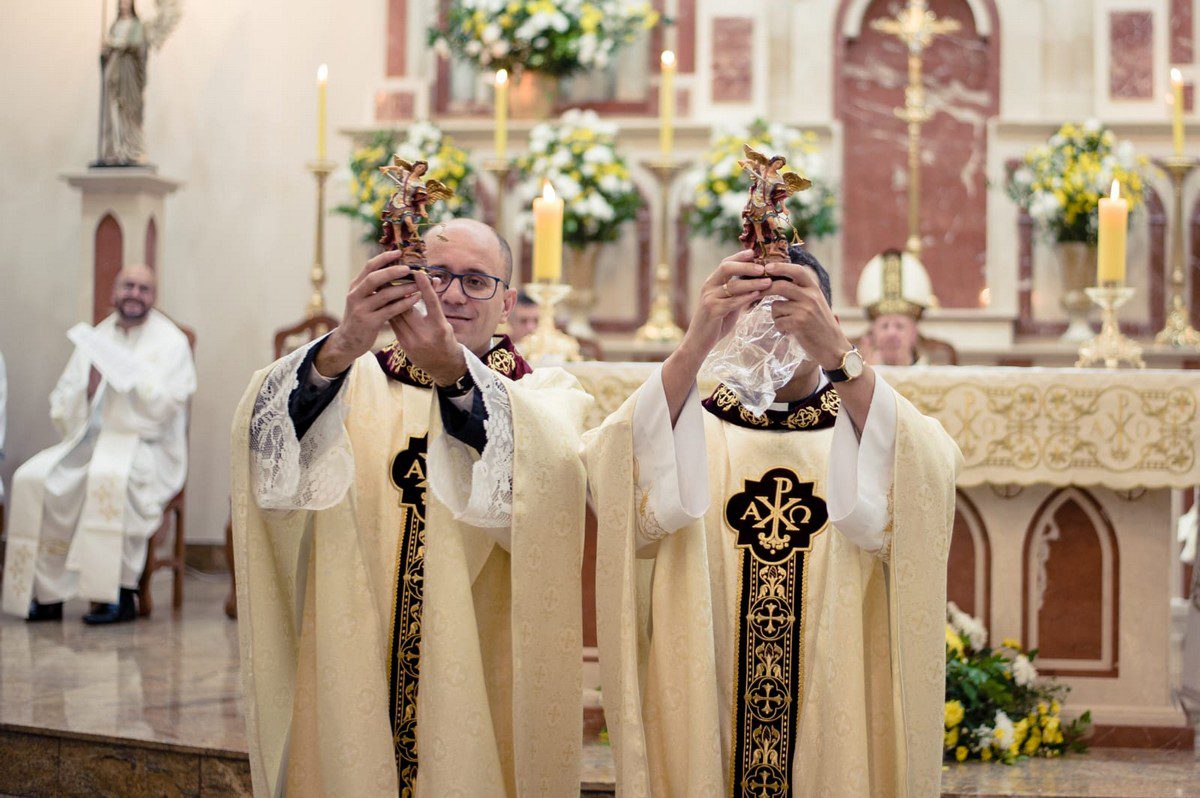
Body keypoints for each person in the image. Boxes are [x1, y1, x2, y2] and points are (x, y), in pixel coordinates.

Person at [231, 218, 591, 796]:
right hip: (354, 657)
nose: (452, 294)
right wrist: (342, 344)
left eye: (477, 281)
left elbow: (552, 483)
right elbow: (264, 449)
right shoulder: (348, 380)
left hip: (473, 665)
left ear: (507, 305)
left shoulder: (545, 396)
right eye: (436, 275)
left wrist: (454, 378)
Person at [585, 245, 961, 796]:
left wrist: (839, 357)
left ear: (829, 319)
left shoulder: (863, 431)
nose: (775, 326)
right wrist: (695, 345)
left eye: (792, 308)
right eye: (755, 311)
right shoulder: (688, 430)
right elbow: (610, 472)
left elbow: (931, 475)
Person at [2, 264, 196, 625]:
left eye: (144, 288)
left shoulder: (171, 342)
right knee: (36, 479)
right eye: (128, 286)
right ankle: (48, 595)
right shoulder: (96, 338)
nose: (135, 294)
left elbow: (170, 408)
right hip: (91, 441)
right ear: (114, 292)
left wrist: (132, 381)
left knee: (112, 479)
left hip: (146, 446)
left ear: (154, 297)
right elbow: (63, 403)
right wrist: (88, 390)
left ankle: (117, 594)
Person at [856, 248, 936, 366]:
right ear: (872, 333)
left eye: (900, 326)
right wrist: (867, 372)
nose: (891, 333)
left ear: (914, 333)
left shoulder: (931, 375)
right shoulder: (859, 376)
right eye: (884, 326)